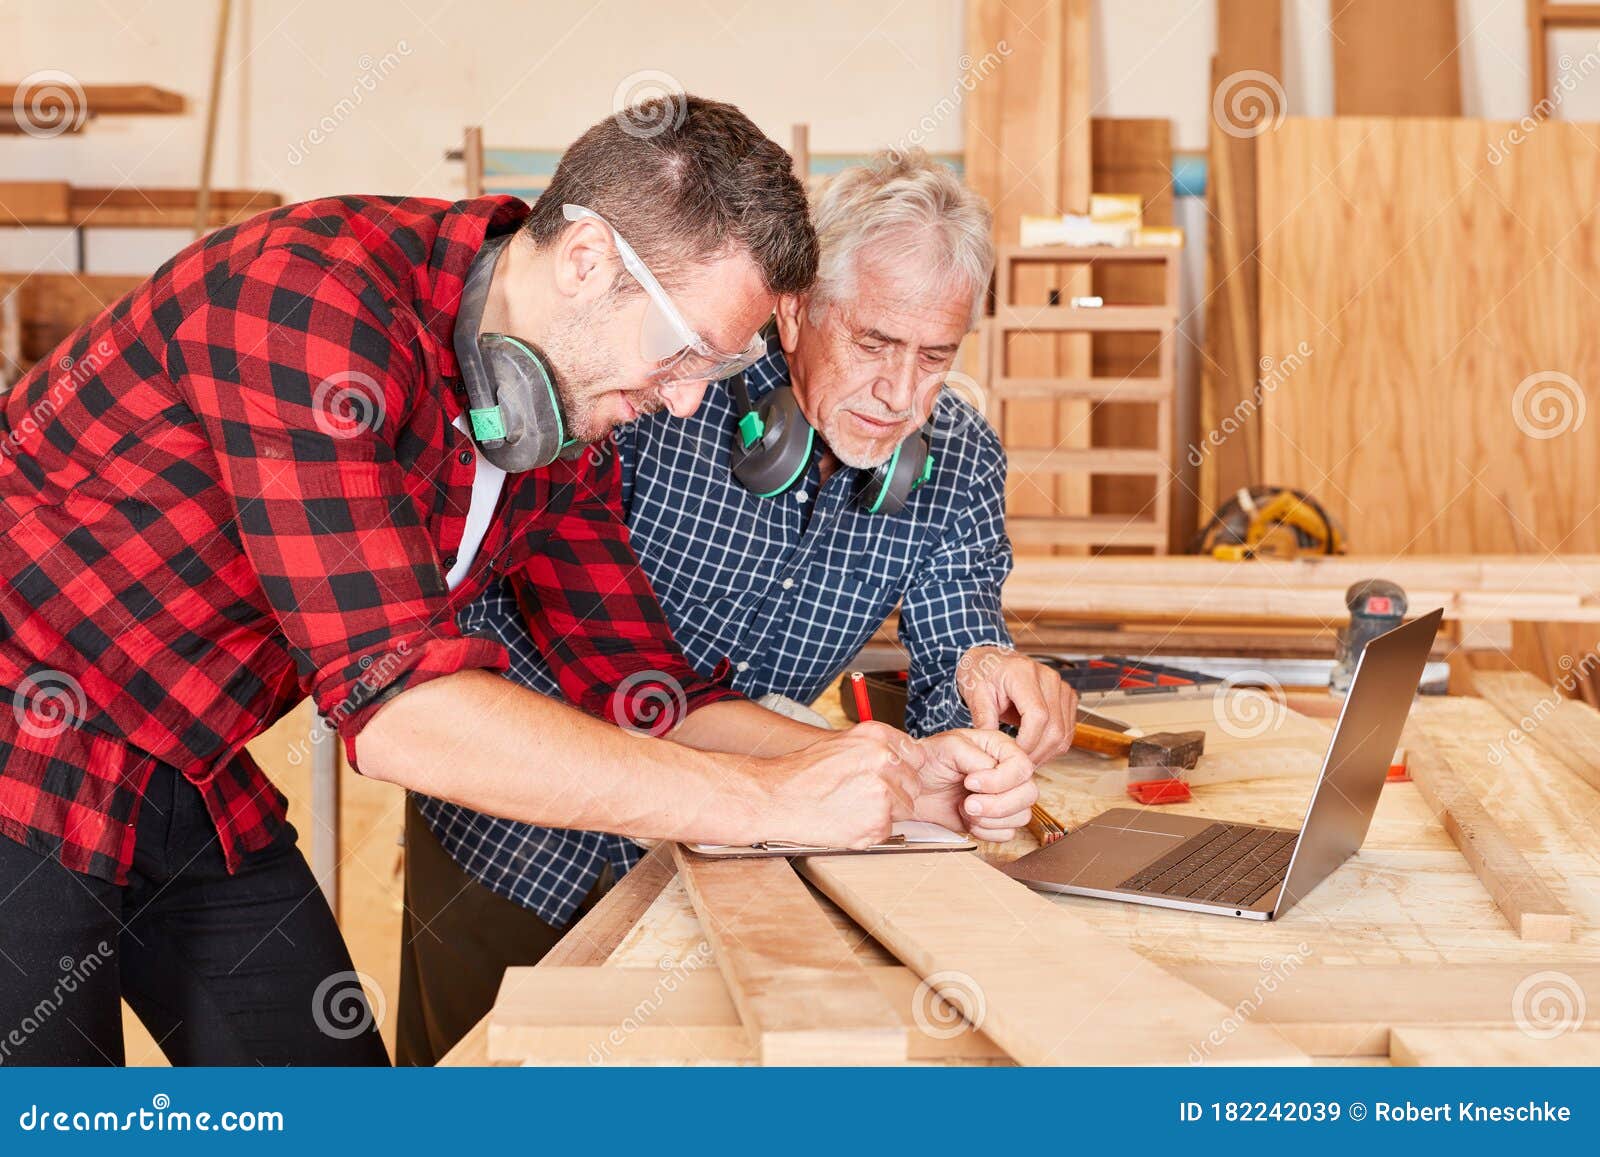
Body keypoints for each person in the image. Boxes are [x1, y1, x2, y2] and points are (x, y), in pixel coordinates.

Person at [0, 102, 1034, 1067]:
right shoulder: (309, 304)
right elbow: (401, 714)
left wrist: (891, 777)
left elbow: (645, 691)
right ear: (587, 259)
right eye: (683, 353)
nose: (687, 405)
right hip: (26, 729)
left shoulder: (562, 420)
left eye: (713, 372)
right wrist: (769, 800)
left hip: (186, 755)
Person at [399, 150, 1071, 1064]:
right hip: (519, 839)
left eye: (936, 357)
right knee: (482, 1089)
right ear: (794, 311)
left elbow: (959, 641)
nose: (901, 395)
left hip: (737, 862)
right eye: (874, 344)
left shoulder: (958, 459)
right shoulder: (661, 394)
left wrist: (985, 722)